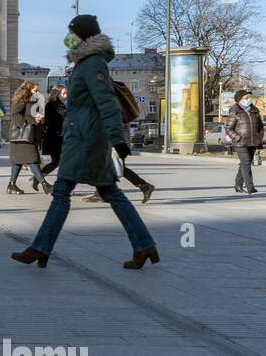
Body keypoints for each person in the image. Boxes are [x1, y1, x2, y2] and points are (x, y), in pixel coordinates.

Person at [10, 15, 158, 270]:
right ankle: (144, 246)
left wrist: (118, 139)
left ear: (82, 36)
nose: (68, 38)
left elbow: (107, 102)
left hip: (87, 140)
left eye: (71, 32)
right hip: (83, 137)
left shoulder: (92, 63)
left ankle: (40, 248)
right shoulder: (86, 62)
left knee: (62, 193)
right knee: (107, 193)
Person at [6, 80, 49, 194]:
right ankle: (45, 185)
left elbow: (32, 116)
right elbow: (15, 116)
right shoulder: (21, 100)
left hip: (29, 135)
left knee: (18, 161)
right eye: (35, 90)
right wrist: (33, 120)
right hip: (22, 136)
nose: (37, 92)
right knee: (32, 159)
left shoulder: (34, 101)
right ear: (27, 90)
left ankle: (11, 185)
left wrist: (39, 119)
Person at [224, 88, 264, 194]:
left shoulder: (254, 110)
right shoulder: (235, 110)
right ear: (239, 100)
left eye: (249, 98)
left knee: (245, 164)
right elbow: (228, 128)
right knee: (246, 162)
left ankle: (238, 184)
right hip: (240, 142)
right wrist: (237, 138)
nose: (248, 100)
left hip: (253, 141)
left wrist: (259, 137)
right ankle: (250, 187)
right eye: (246, 98)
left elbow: (260, 126)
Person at [40, 85, 67, 176]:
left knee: (57, 161)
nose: (65, 96)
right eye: (63, 93)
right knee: (56, 161)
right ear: (57, 94)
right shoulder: (51, 105)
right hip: (53, 137)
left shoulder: (62, 105)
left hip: (60, 137)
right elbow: (49, 122)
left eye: (66, 93)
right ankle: (39, 177)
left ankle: (39, 177)